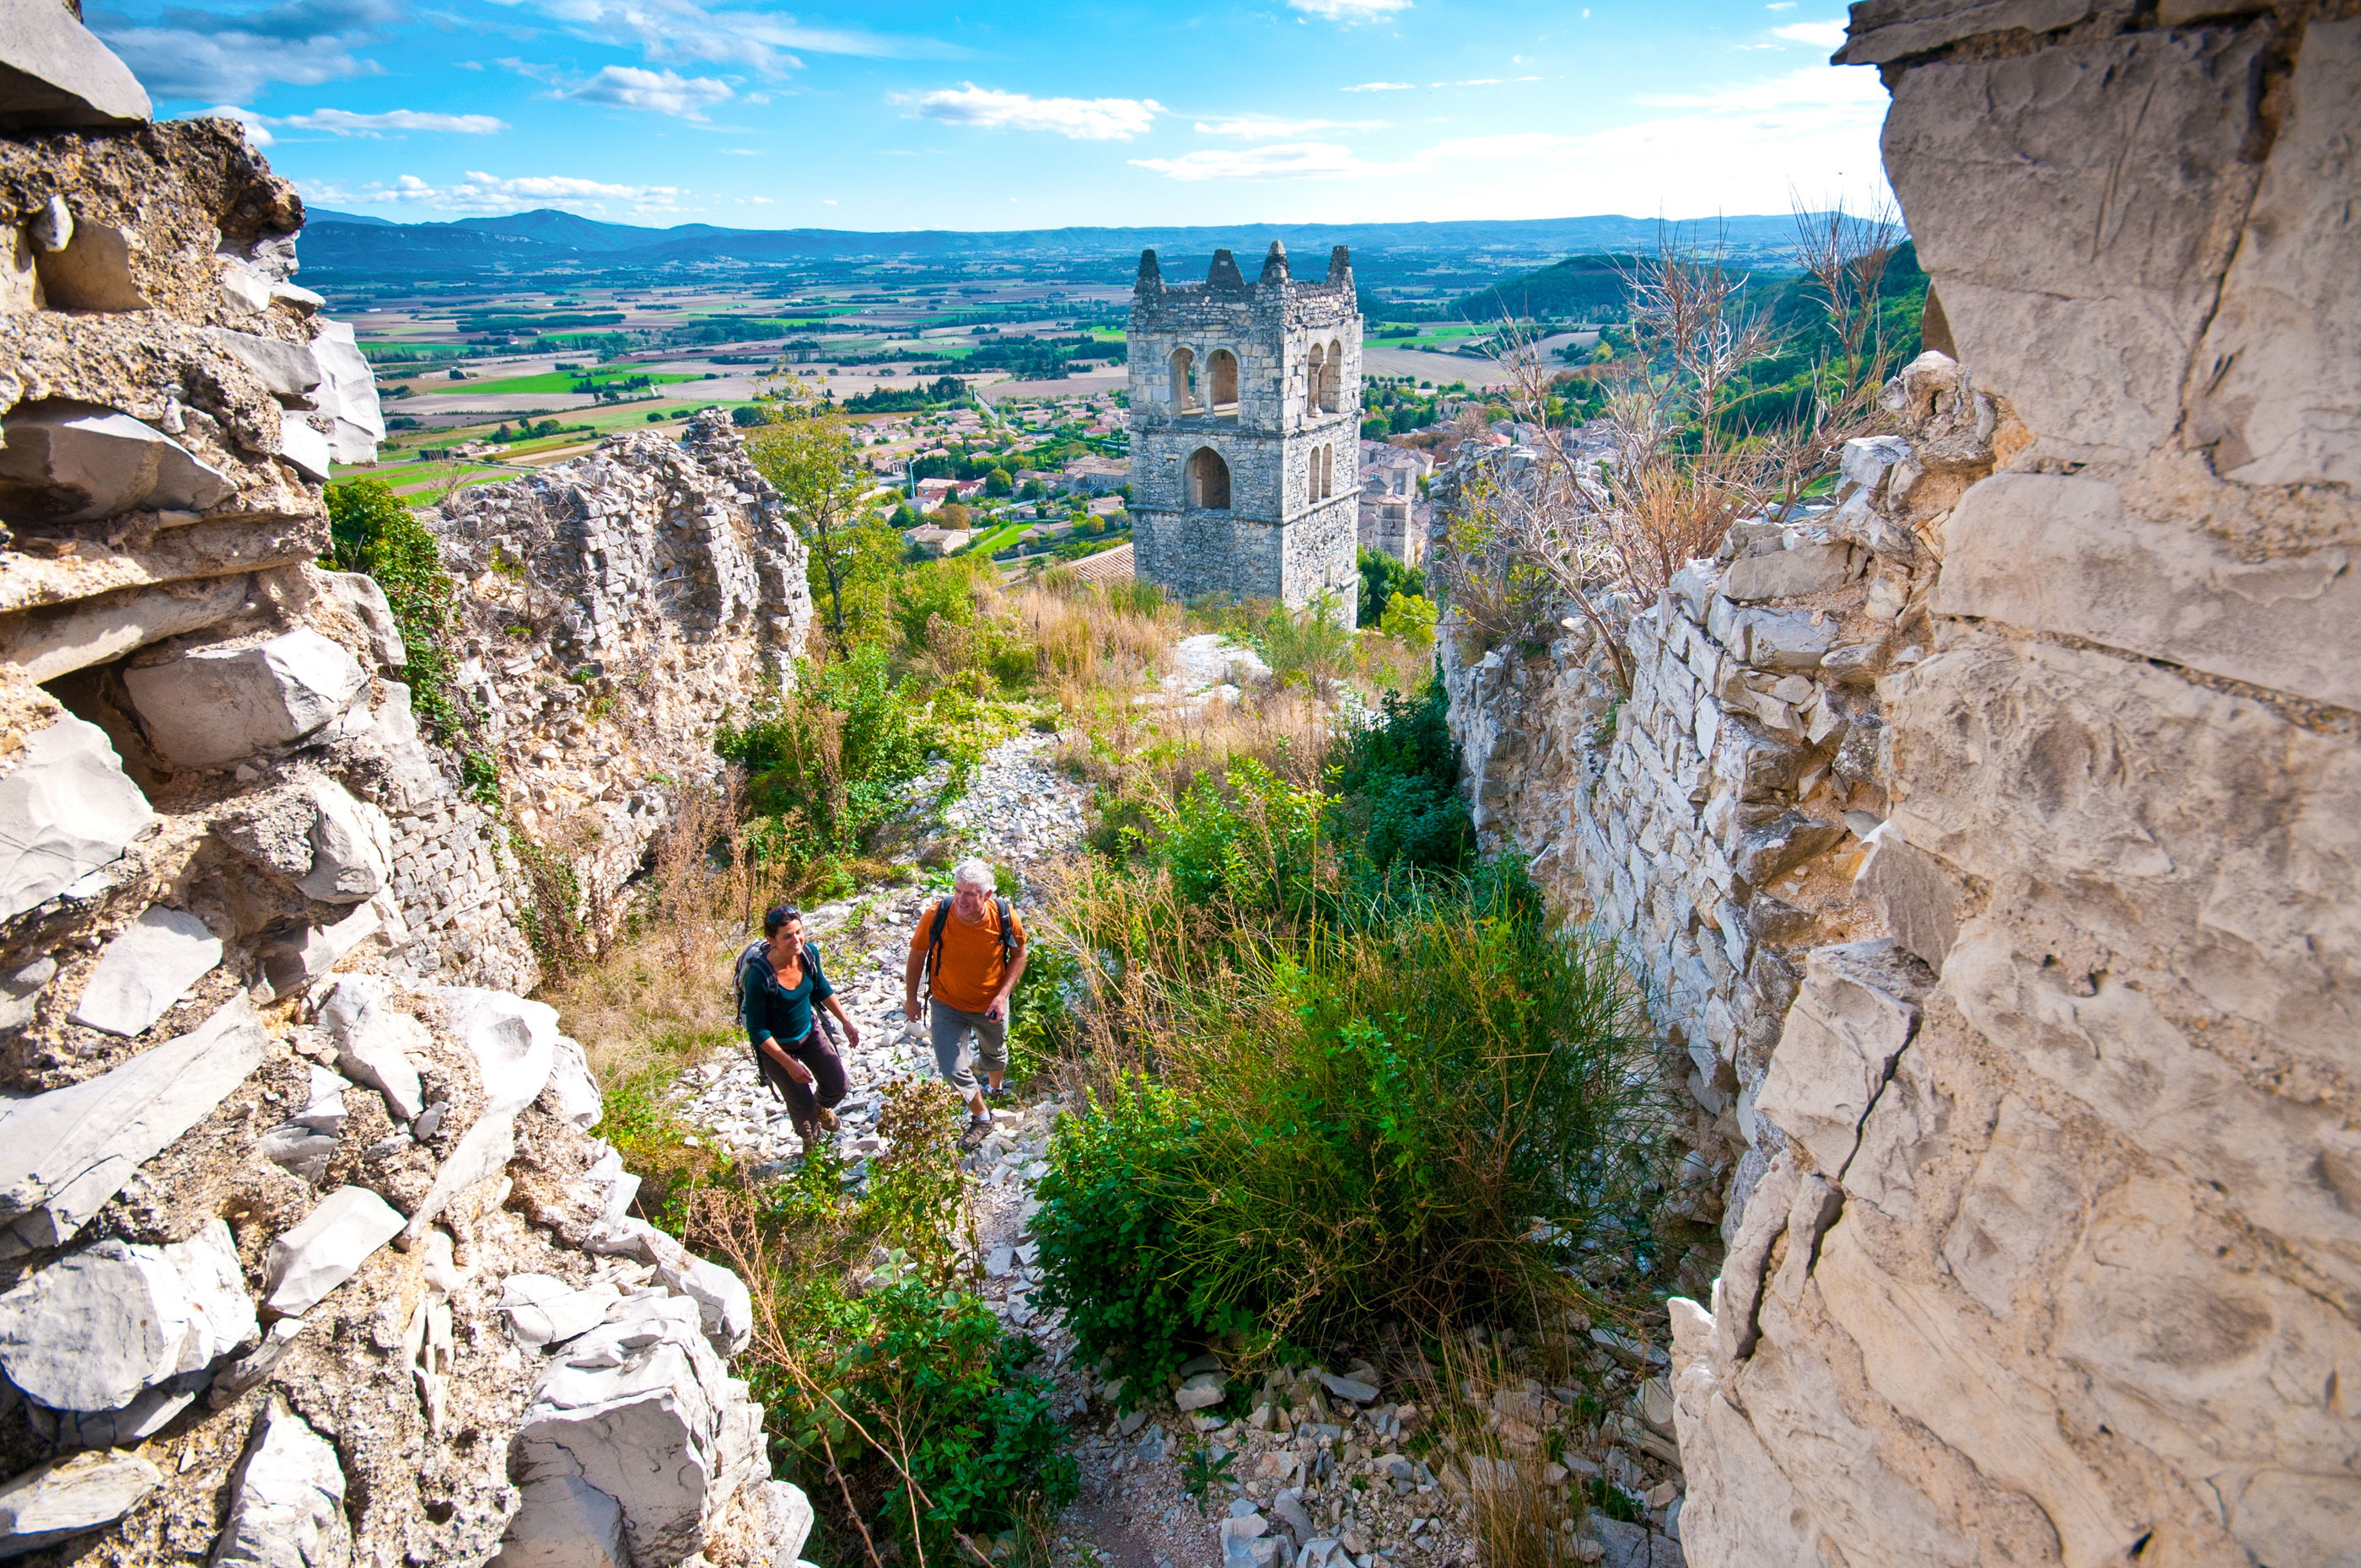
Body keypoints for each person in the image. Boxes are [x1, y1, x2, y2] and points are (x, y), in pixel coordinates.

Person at [903, 858, 1027, 1137]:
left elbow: (1019, 955)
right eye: (958, 891)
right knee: (953, 1068)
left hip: (990, 1002)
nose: (961, 899)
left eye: (970, 894)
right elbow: (917, 954)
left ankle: (995, 1089)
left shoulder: (1005, 917)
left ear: (987, 895)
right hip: (947, 1003)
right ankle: (981, 1116)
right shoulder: (937, 915)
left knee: (995, 1053)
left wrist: (1003, 995)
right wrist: (911, 998)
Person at [743, 905, 860, 1153]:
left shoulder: (808, 955)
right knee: (802, 1112)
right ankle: (812, 1150)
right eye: (787, 936)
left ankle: (817, 1107)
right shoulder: (759, 977)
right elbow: (757, 1030)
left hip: (809, 1032)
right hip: (776, 1048)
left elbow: (820, 988)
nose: (796, 940)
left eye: (798, 932)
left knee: (838, 1085)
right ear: (771, 940)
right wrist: (788, 1064)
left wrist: (846, 1021)